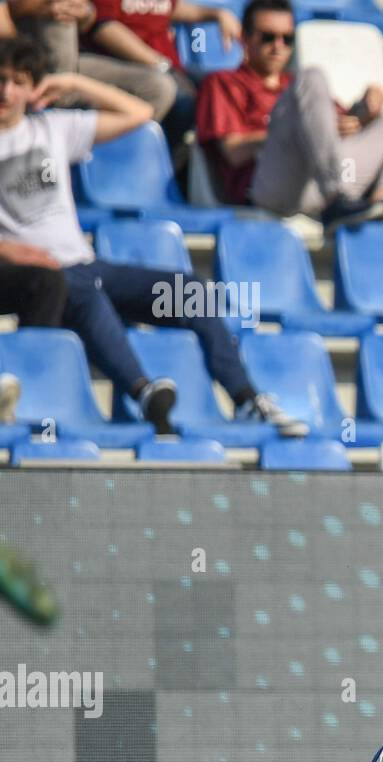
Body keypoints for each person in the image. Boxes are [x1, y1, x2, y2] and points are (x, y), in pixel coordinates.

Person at [0, 36, 305, 437]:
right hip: (44, 276)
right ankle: (144, 393)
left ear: (33, 86)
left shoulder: (54, 129)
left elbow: (141, 111)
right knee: (82, 289)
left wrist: (76, 83)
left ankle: (248, 399)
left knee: (191, 292)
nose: (7, 91)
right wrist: (10, 250)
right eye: (0, 79)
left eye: (18, 80)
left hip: (87, 267)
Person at [195, 0, 383, 229]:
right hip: (272, 184)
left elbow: (335, 127)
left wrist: (364, 112)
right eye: (268, 37)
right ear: (245, 39)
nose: (278, 46)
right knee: (312, 76)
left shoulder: (293, 84)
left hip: (324, 181)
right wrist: (290, 130)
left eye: (287, 38)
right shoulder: (223, 83)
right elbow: (233, 152)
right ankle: (336, 199)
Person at [81, 0, 240, 148]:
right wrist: (159, 63)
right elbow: (103, 28)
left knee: (222, 88)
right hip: (128, 67)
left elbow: (171, 8)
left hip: (170, 66)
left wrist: (217, 13)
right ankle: (172, 169)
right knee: (183, 99)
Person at [8, 0, 179, 122]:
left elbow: (90, 22)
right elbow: (7, 15)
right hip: (26, 65)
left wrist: (85, 11)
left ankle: (110, 162)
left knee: (159, 87)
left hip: (72, 65)